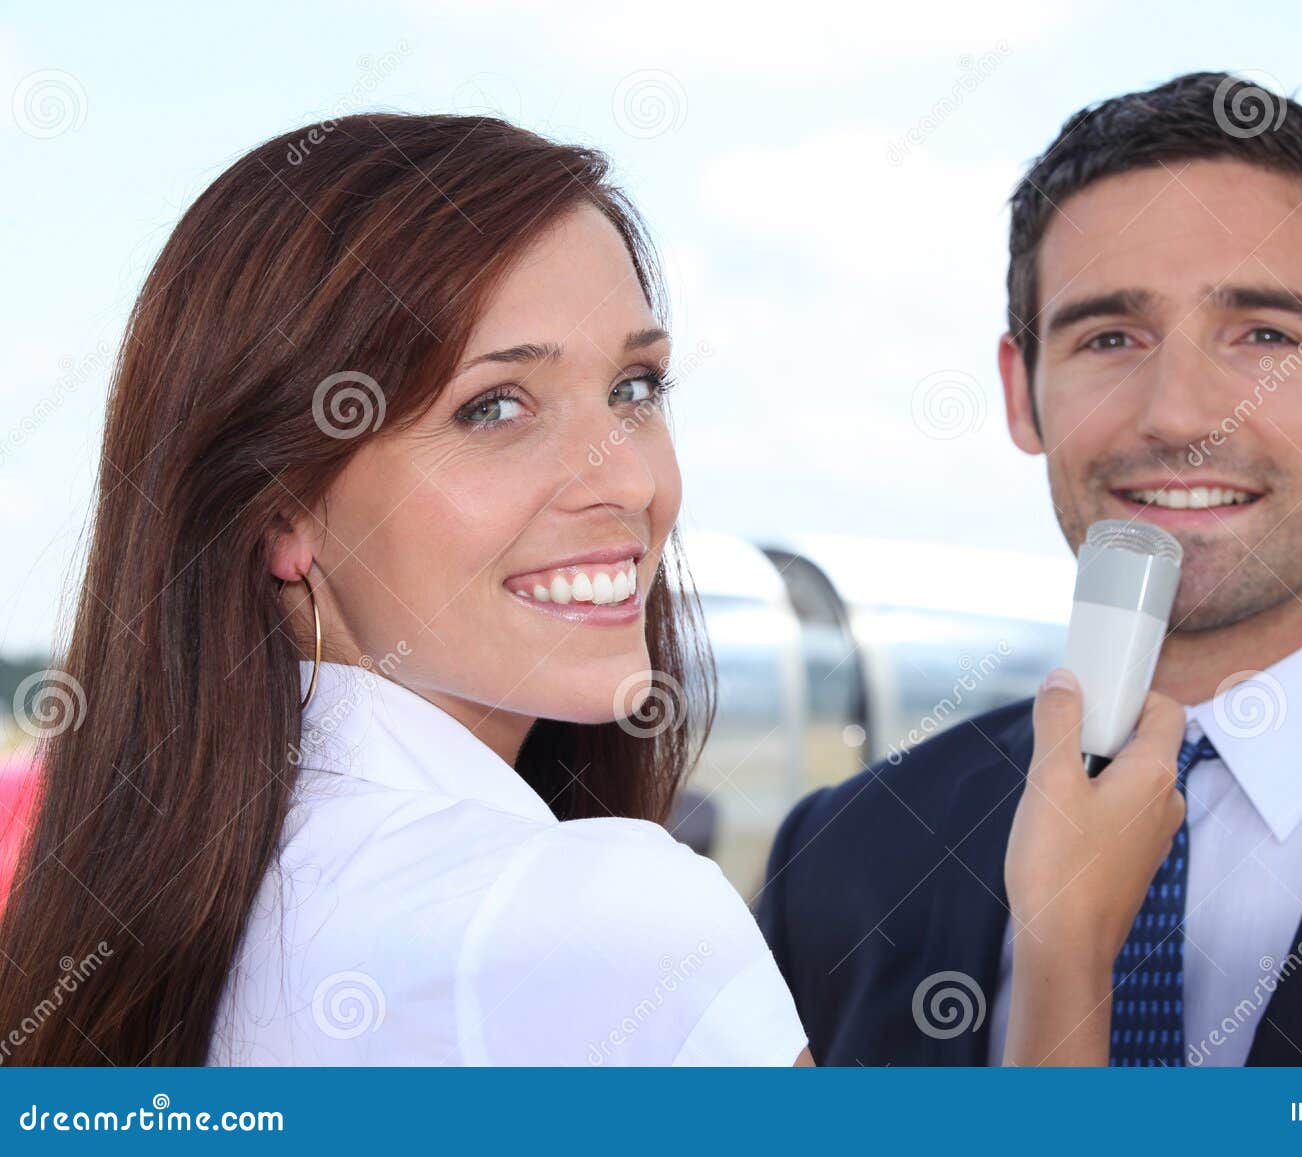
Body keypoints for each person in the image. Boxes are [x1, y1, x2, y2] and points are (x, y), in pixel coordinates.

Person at [0, 112, 1182, 1067]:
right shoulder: (596, 914)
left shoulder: (178, 907)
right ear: (282, 513)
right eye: (494, 406)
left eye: (634, 386)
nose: (625, 480)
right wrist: (1068, 933)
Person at [757, 71, 1302, 1067]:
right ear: (1020, 395)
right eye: (1110, 336)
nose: (1181, 415)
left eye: (1262, 335)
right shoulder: (844, 856)